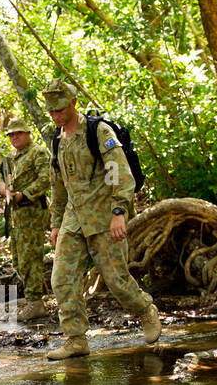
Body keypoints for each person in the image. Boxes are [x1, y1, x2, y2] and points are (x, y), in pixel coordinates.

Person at [42, 78, 160, 360]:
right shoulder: (58, 139)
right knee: (62, 279)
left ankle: (146, 310)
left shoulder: (98, 131)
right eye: (51, 111)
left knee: (116, 280)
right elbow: (58, 186)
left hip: (105, 217)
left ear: (73, 103)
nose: (56, 115)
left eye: (60, 109)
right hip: (74, 220)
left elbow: (119, 173)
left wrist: (119, 211)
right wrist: (56, 223)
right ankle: (75, 339)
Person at [0, 117, 51, 322]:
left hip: (32, 212)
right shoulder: (10, 157)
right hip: (16, 216)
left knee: (30, 258)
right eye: (11, 134)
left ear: (28, 133)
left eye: (18, 133)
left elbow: (46, 178)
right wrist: (2, 188)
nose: (14, 137)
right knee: (18, 259)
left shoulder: (39, 152)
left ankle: (35, 302)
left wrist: (23, 195)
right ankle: (32, 298)